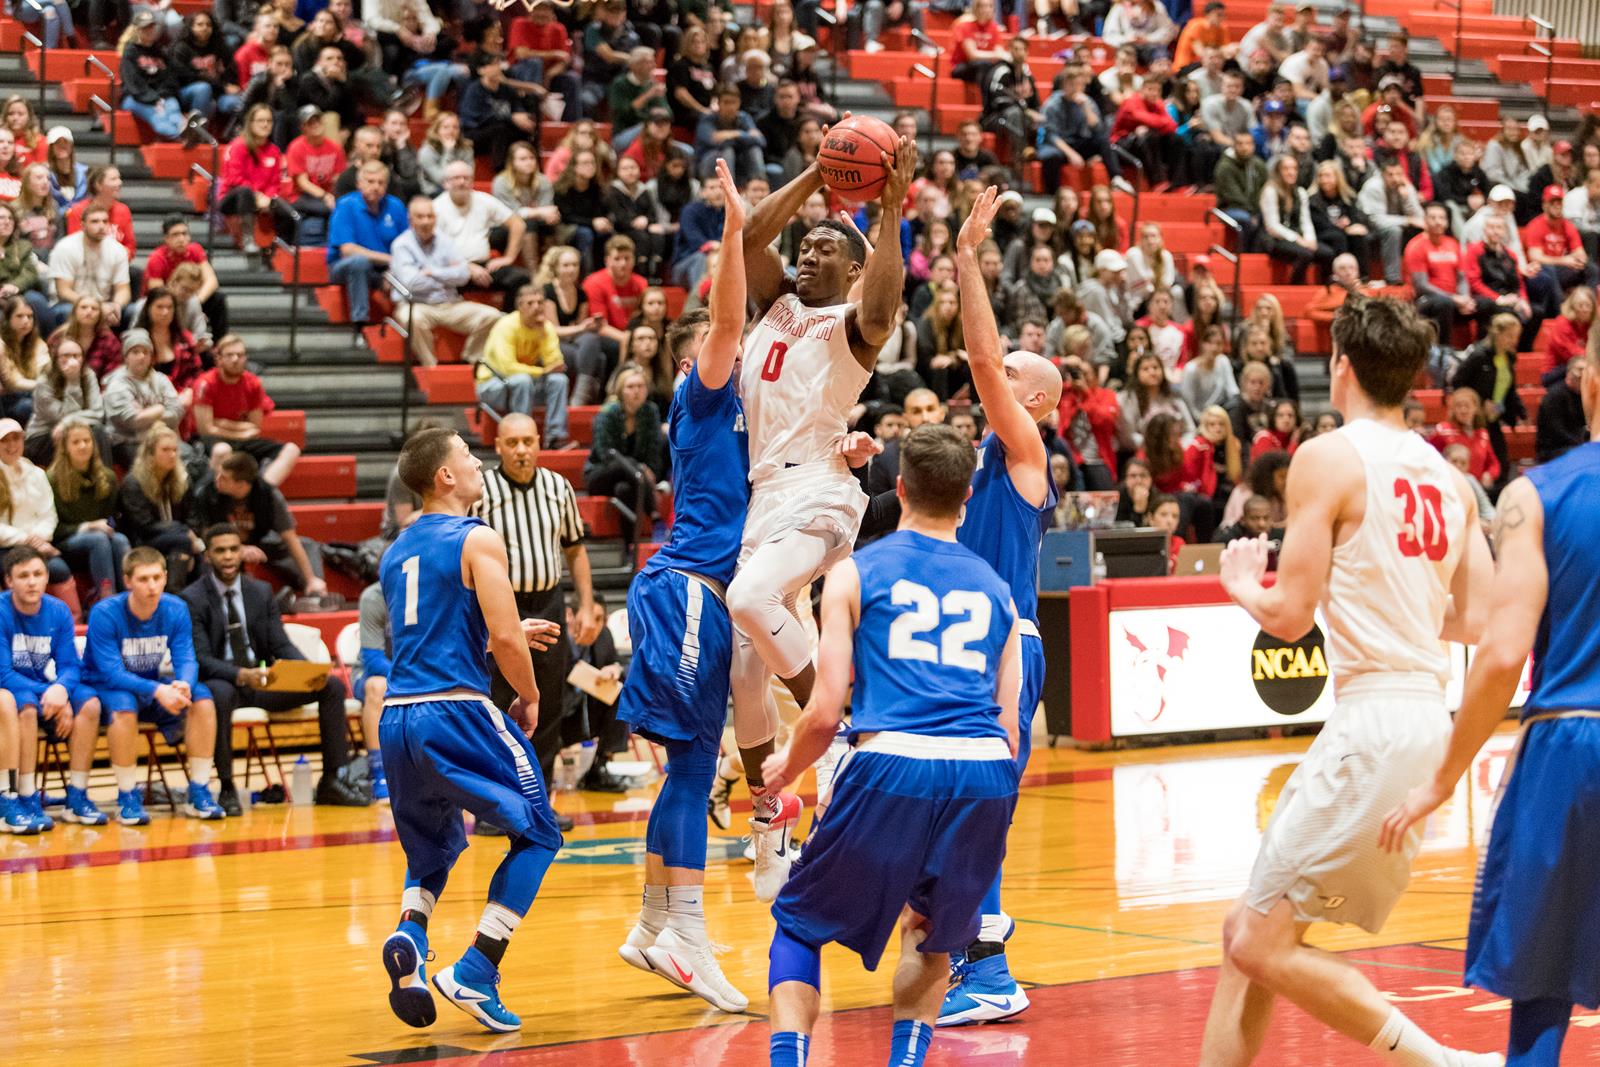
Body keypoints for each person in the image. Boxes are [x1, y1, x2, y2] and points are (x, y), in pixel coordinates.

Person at [1199, 296, 1497, 1067]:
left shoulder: (1327, 456)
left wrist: (1241, 584)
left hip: (1373, 721)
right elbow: (1478, 619)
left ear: (1341, 366)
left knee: (1254, 940)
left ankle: (1441, 1061)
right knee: (1250, 934)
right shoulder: (1451, 477)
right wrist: (1398, 602)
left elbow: (1290, 615)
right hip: (1425, 714)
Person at [762, 422, 1023, 1067]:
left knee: (797, 923)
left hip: (894, 760)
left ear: (900, 488)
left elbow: (825, 711)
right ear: (967, 497)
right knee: (932, 933)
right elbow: (1010, 728)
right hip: (986, 771)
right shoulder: (999, 590)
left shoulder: (854, 573)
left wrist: (786, 766)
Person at [1380, 334, 1600, 1067]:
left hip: (1570, 742)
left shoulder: (1535, 495)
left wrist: (1442, 779)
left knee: (1541, 985)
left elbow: (1503, 653)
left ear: (1586, 383)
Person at [725, 134, 917, 901]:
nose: (810, 253)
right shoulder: (774, 303)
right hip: (763, 496)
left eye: (829, 247)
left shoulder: (853, 323)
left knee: (749, 597)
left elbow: (885, 302)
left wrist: (889, 208)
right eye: (807, 245)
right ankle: (770, 817)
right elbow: (748, 236)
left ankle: (838, 733)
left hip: (821, 489)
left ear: (854, 268)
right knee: (745, 669)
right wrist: (818, 170)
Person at [374, 426, 565, 1034]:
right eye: (467, 455)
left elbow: (430, 635)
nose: (478, 462)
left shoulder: (395, 551)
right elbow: (506, 638)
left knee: (432, 844)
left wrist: (493, 634)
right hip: (455, 712)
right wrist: (529, 694)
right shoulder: (477, 537)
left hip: (398, 717)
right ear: (445, 476)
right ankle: (477, 969)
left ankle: (411, 932)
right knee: (539, 833)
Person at [617, 160, 751, 1015]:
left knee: (686, 768)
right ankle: (689, 936)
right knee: (696, 769)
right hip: (689, 588)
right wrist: (736, 230)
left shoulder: (741, 413)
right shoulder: (701, 395)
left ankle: (652, 922)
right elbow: (730, 320)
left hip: (694, 592)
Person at [927, 187, 1063, 1025]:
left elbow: (980, 359)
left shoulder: (1025, 448)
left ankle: (987, 968)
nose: (994, 377)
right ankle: (964, 949)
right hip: (966, 643)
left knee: (978, 801)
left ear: (1037, 401)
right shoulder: (977, 455)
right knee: (951, 798)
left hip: (1005, 642)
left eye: (1014, 376)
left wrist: (967, 259)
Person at [183, 523, 364, 817]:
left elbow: (280, 644)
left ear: (241, 552)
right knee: (219, 695)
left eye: (233, 549)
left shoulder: (260, 591)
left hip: (262, 680)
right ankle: (227, 788)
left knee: (331, 686)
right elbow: (200, 658)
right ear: (208, 556)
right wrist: (240, 675)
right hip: (223, 680)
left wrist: (308, 670)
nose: (228, 556)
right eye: (220, 551)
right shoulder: (192, 598)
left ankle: (333, 779)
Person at [475, 412, 600, 815]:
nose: (521, 450)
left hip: (548, 603)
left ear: (539, 443)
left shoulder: (557, 487)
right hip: (500, 606)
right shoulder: (481, 490)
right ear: (498, 446)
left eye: (528, 441)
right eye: (512, 443)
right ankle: (496, 805)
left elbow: (575, 550)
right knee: (495, 702)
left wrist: (586, 605)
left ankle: (539, 802)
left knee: (546, 702)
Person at [84, 547, 226, 824]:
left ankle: (199, 791)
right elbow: (112, 673)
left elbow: (186, 657)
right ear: (128, 581)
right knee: (124, 704)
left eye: (157, 578)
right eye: (143, 579)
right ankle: (127, 795)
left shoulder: (176, 607)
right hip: (104, 688)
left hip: (147, 686)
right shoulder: (105, 612)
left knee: (202, 697)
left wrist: (183, 684)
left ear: (165, 577)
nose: (152, 586)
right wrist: (159, 690)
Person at [0, 545, 103, 831]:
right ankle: (23, 795)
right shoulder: (1, 611)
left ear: (47, 577)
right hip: (14, 690)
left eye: (37, 574)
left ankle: (77, 796)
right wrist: (51, 693)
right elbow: (3, 674)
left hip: (42, 688)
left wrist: (61, 690)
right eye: (23, 576)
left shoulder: (57, 610)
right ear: (9, 581)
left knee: (90, 704)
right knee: (25, 707)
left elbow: (70, 665)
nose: (32, 582)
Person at [387, 195, 502, 368]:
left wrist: (433, 272)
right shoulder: (401, 245)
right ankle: (430, 368)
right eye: (420, 217)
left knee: (493, 316)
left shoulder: (445, 241)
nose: (426, 221)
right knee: (410, 318)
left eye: (430, 216)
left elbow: (463, 275)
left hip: (450, 304)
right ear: (410, 220)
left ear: (435, 218)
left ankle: (469, 362)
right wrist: (448, 277)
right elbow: (411, 284)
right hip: (417, 304)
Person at [192, 451, 327, 596]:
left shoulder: (267, 494)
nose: (217, 479)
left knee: (307, 546)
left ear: (241, 485)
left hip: (260, 541)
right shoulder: (208, 492)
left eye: (224, 478)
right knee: (211, 555)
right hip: (222, 545)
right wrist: (239, 548)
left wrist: (310, 578)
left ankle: (314, 594)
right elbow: (207, 535)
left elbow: (290, 536)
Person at [477, 284, 571, 443]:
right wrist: (543, 371)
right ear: (519, 306)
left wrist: (542, 335)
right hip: (492, 384)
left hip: (525, 382)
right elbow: (507, 368)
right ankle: (522, 436)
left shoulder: (545, 327)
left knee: (559, 380)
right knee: (522, 380)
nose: (537, 307)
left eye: (540, 302)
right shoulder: (506, 326)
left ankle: (555, 437)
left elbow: (555, 363)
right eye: (530, 303)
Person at [432, 160, 530, 310]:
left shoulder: (483, 200)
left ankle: (506, 320)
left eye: (466, 178)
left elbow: (518, 224)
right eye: (456, 178)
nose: (462, 182)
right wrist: (467, 268)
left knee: (520, 278)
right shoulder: (435, 208)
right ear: (446, 183)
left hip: (484, 265)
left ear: (472, 181)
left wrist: (508, 258)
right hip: (452, 268)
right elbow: (435, 250)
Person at [47, 415, 124, 603]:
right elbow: (53, 528)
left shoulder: (107, 477)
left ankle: (129, 596)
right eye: (76, 442)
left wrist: (109, 526)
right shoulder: (52, 479)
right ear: (65, 447)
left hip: (100, 539)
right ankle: (107, 599)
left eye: (87, 441)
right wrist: (88, 526)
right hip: (65, 543)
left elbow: (115, 517)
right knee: (97, 539)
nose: (83, 446)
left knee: (120, 540)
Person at [118, 424, 204, 587]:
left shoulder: (182, 479)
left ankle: (199, 598)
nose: (172, 455)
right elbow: (144, 525)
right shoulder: (134, 482)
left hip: (178, 538)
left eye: (175, 450)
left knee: (203, 549)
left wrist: (191, 534)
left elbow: (193, 516)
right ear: (150, 453)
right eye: (165, 450)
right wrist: (184, 532)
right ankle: (174, 592)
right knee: (183, 542)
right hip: (144, 540)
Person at [327, 161, 408, 327]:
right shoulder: (346, 205)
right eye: (370, 182)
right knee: (359, 262)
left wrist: (393, 269)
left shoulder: (395, 206)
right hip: (343, 266)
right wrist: (390, 260)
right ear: (359, 184)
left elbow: (408, 245)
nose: (376, 187)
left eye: (381, 183)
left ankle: (408, 322)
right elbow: (348, 250)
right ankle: (360, 324)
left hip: (384, 269)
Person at [584, 364, 665, 522]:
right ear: (621, 390)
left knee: (624, 490)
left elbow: (654, 450)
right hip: (601, 474)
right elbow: (606, 455)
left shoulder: (651, 411)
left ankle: (631, 539)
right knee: (627, 464)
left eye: (640, 386)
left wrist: (650, 470)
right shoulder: (607, 413)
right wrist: (639, 468)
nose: (636, 391)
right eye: (631, 387)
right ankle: (653, 510)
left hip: (634, 480)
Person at [1534, 355, 1587, 463]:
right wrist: (1582, 444)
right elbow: (1556, 431)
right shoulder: (1554, 397)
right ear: (1569, 375)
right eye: (1579, 378)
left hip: (1574, 444)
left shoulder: (1583, 396)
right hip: (1554, 448)